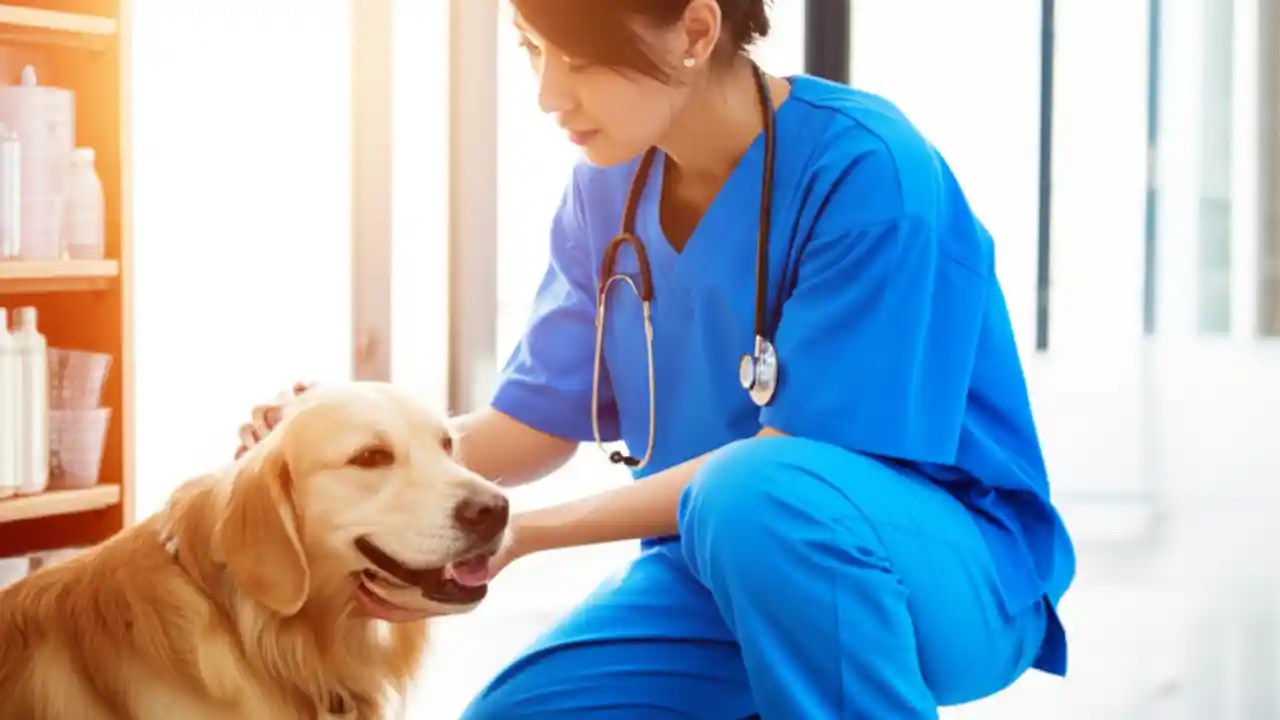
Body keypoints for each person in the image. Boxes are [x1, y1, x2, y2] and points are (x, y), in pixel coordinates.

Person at [241, 0, 1076, 716]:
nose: (546, 95)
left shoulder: (871, 174)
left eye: (578, 60)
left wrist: (522, 535)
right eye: (532, 52)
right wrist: (343, 449)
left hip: (944, 574)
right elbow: (530, 425)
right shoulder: (605, 191)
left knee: (756, 495)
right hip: (711, 571)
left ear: (696, 28)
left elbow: (788, 464)